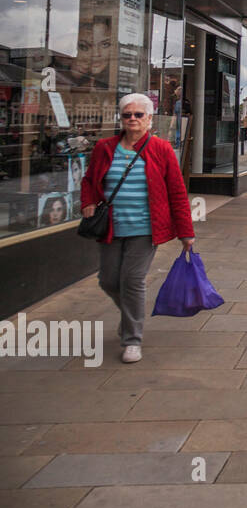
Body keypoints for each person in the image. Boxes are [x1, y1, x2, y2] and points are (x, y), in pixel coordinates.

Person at [81, 92, 195, 364]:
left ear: (149, 119)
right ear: (121, 118)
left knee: (132, 281)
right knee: (108, 280)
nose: (132, 119)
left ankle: (132, 338)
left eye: (138, 115)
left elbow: (177, 192)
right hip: (111, 226)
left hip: (145, 229)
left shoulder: (161, 149)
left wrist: (186, 232)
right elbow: (88, 180)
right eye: (127, 115)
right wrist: (87, 202)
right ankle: (129, 317)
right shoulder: (105, 147)